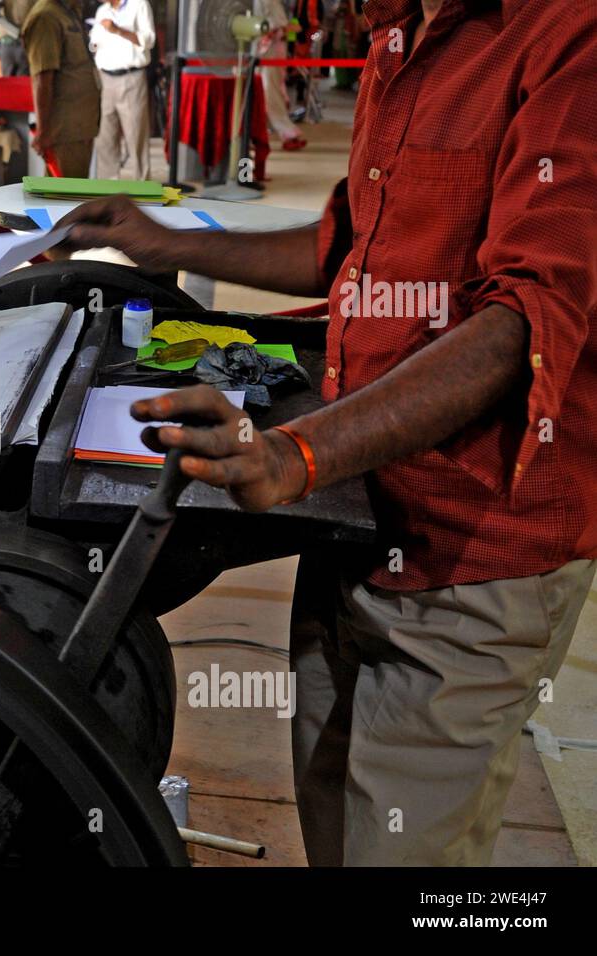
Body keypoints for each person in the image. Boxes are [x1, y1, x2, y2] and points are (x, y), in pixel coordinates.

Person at [60, 0, 597, 865]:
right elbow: (349, 245)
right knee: (332, 814)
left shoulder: (565, 36)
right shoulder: (397, 28)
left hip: (474, 548)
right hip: (357, 514)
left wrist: (295, 452)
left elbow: (524, 319)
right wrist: (169, 248)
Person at [21, 0, 100, 177]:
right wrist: (43, 131)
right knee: (66, 197)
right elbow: (43, 77)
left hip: (79, 126)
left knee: (74, 192)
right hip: (63, 130)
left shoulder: (67, 12)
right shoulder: (46, 17)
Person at [88, 0, 155, 180]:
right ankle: (107, 192)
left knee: (136, 138)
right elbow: (94, 43)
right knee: (105, 140)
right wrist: (91, 44)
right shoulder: (102, 11)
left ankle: (142, 189)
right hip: (105, 80)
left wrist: (118, 30)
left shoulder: (139, 5)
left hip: (131, 79)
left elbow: (149, 40)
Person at [256, 0, 307, 150]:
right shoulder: (269, 2)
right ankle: (288, 133)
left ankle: (257, 135)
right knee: (272, 95)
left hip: (272, 54)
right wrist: (291, 29)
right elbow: (271, 29)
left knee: (267, 95)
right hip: (269, 55)